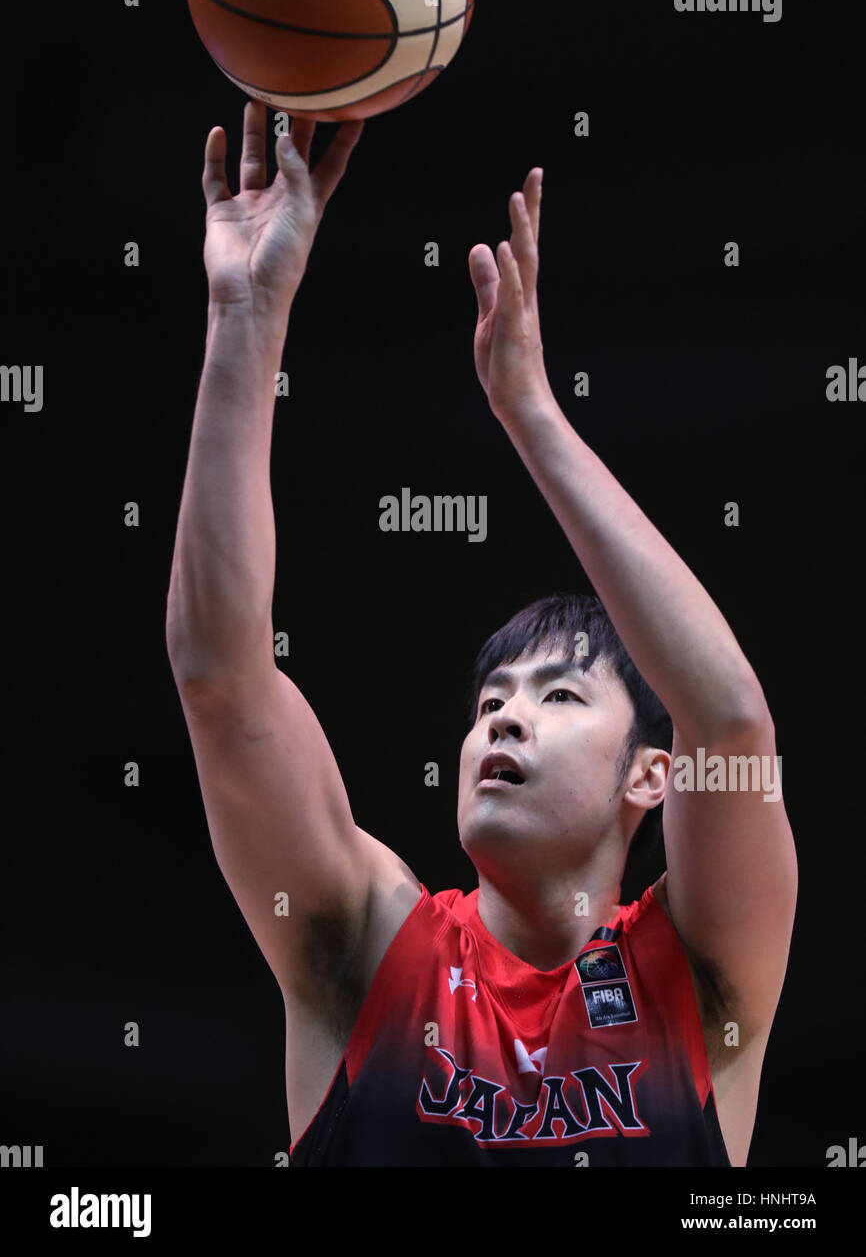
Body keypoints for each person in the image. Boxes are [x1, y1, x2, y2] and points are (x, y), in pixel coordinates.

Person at [166, 101, 797, 1167]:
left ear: (651, 776)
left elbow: (728, 722)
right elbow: (219, 677)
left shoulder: (698, 978)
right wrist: (247, 308)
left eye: (557, 694)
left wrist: (529, 414)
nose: (504, 712)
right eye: (491, 698)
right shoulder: (370, 945)